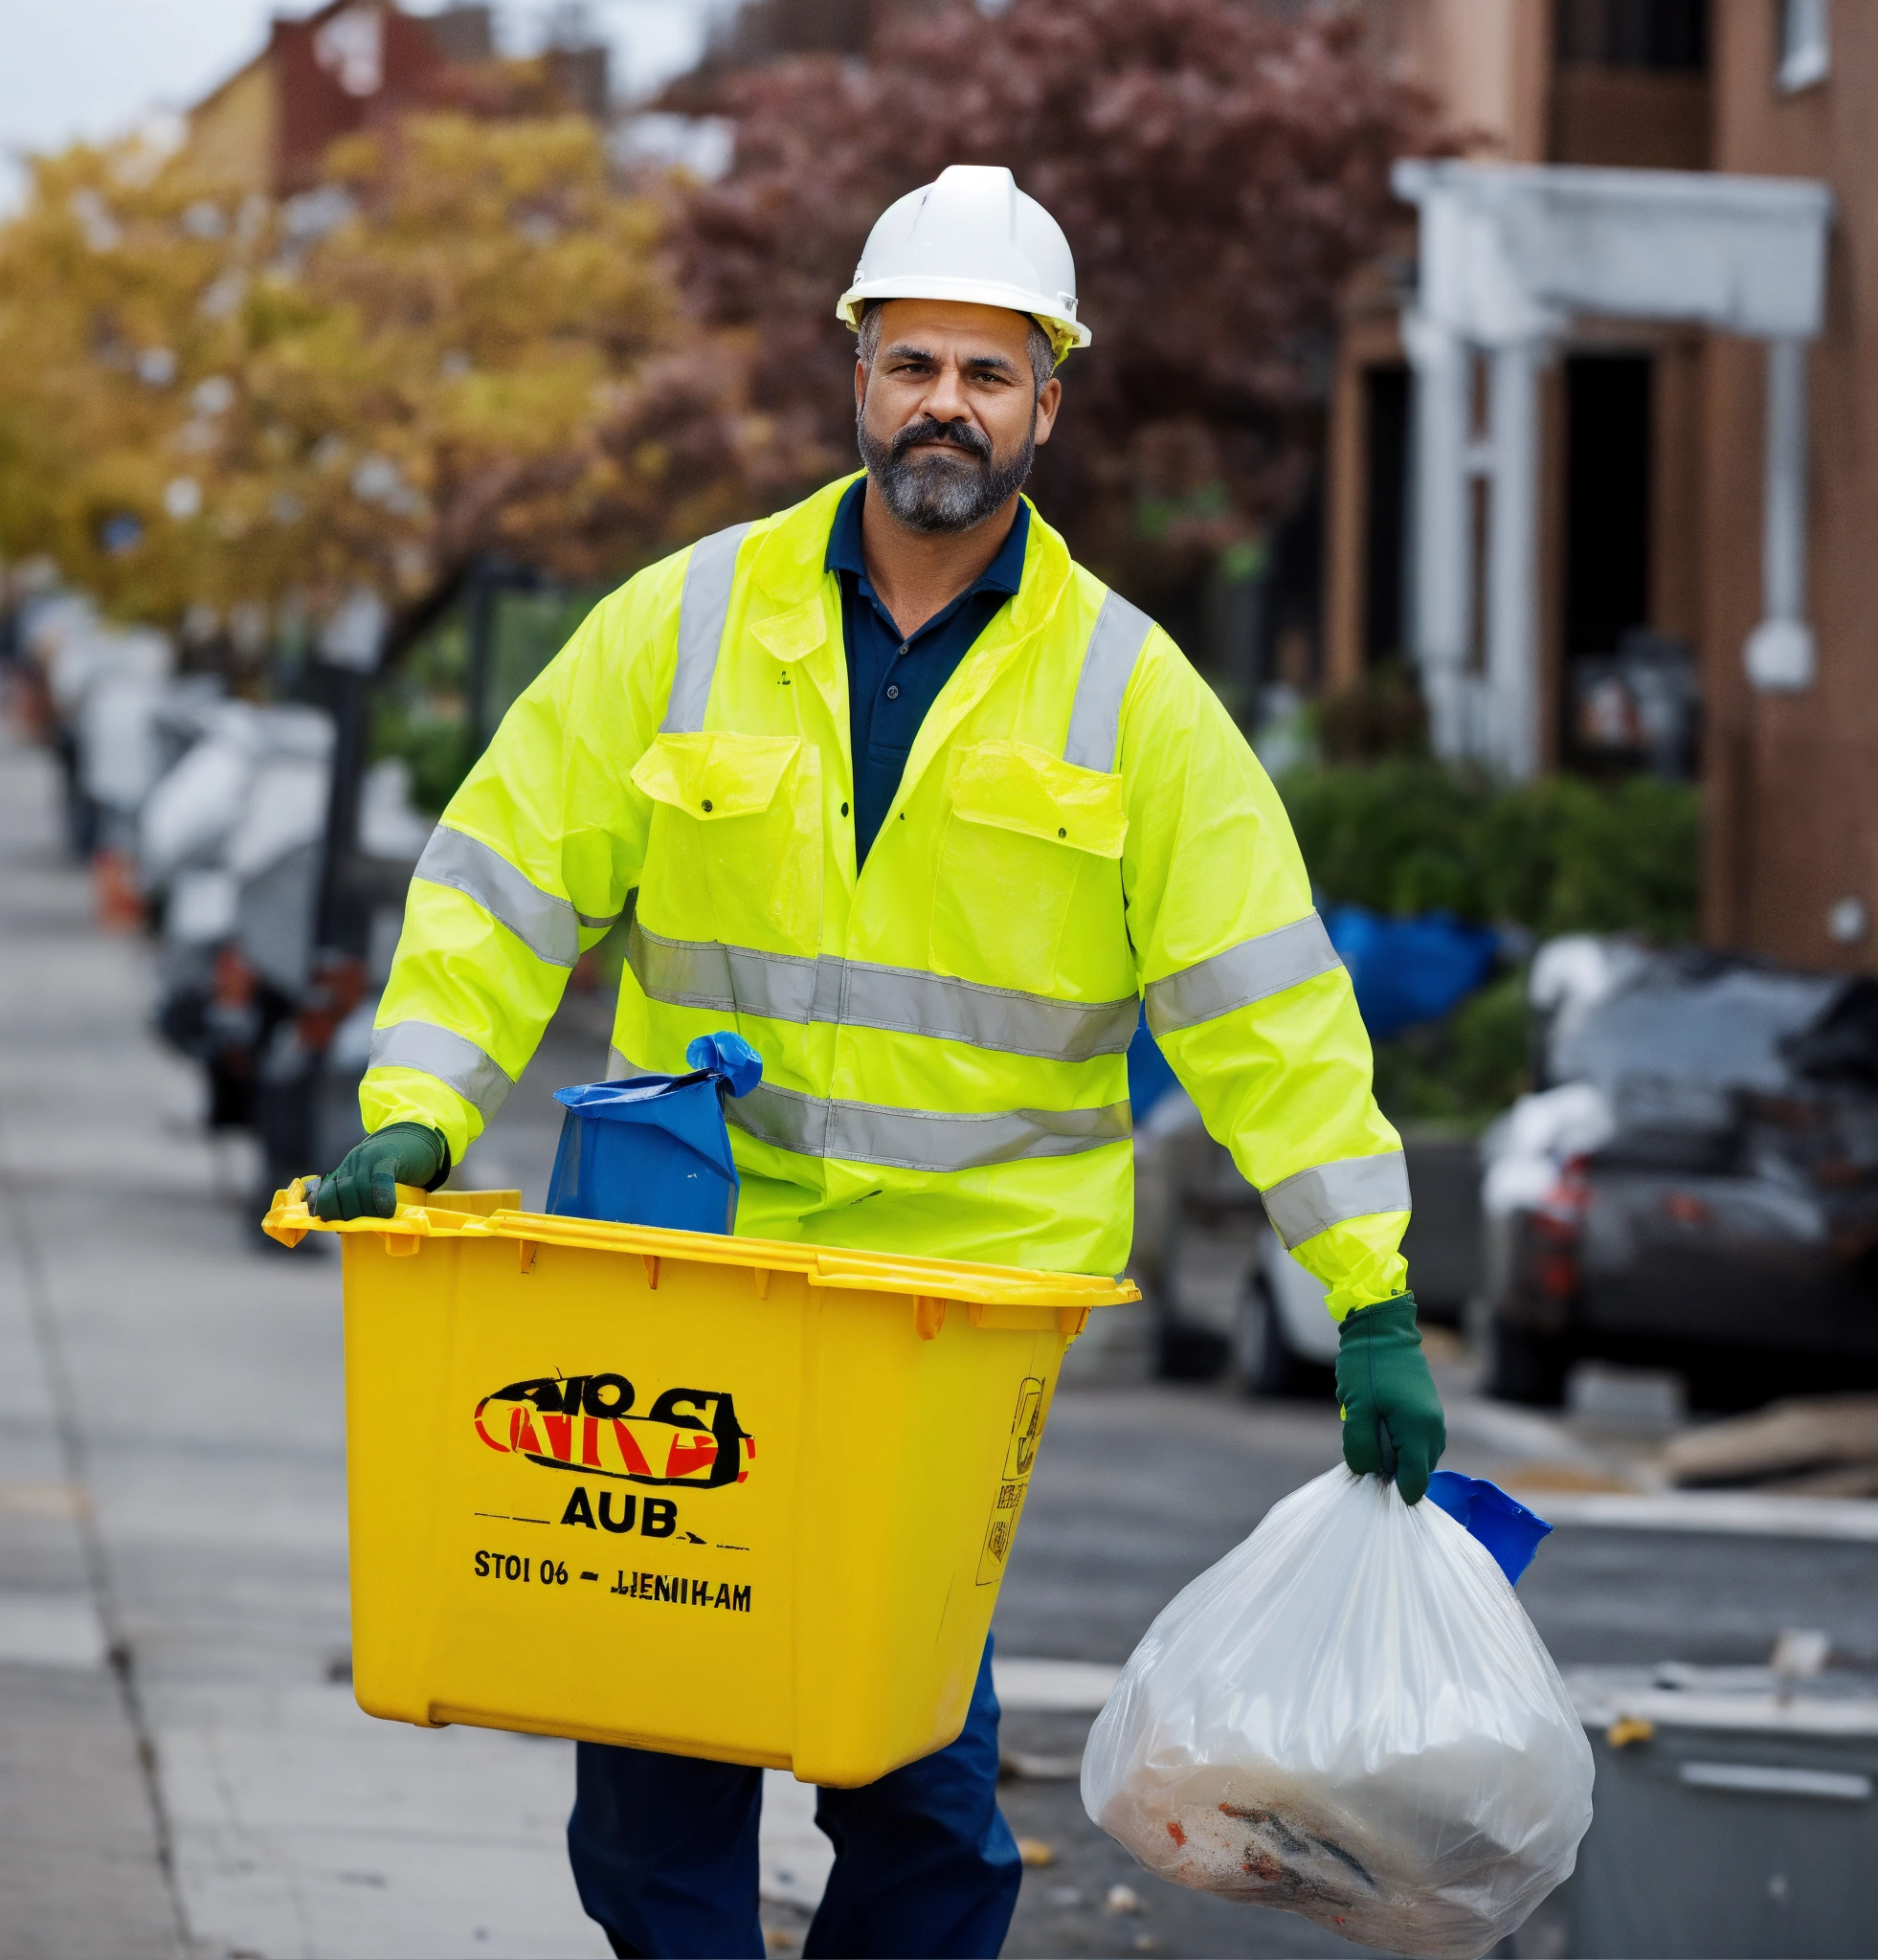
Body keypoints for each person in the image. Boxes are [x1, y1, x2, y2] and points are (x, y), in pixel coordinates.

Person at [309, 164, 1445, 1960]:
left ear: (1047, 407)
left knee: (918, 1800)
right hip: (700, 1275)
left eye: (988, 374)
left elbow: (1265, 1008)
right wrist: (422, 1110)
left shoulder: (1134, 699)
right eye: (913, 364)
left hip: (945, 1320)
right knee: (654, 1767)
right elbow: (502, 879)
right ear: (856, 379)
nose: (945, 405)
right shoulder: (686, 622)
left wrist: (1366, 1286)